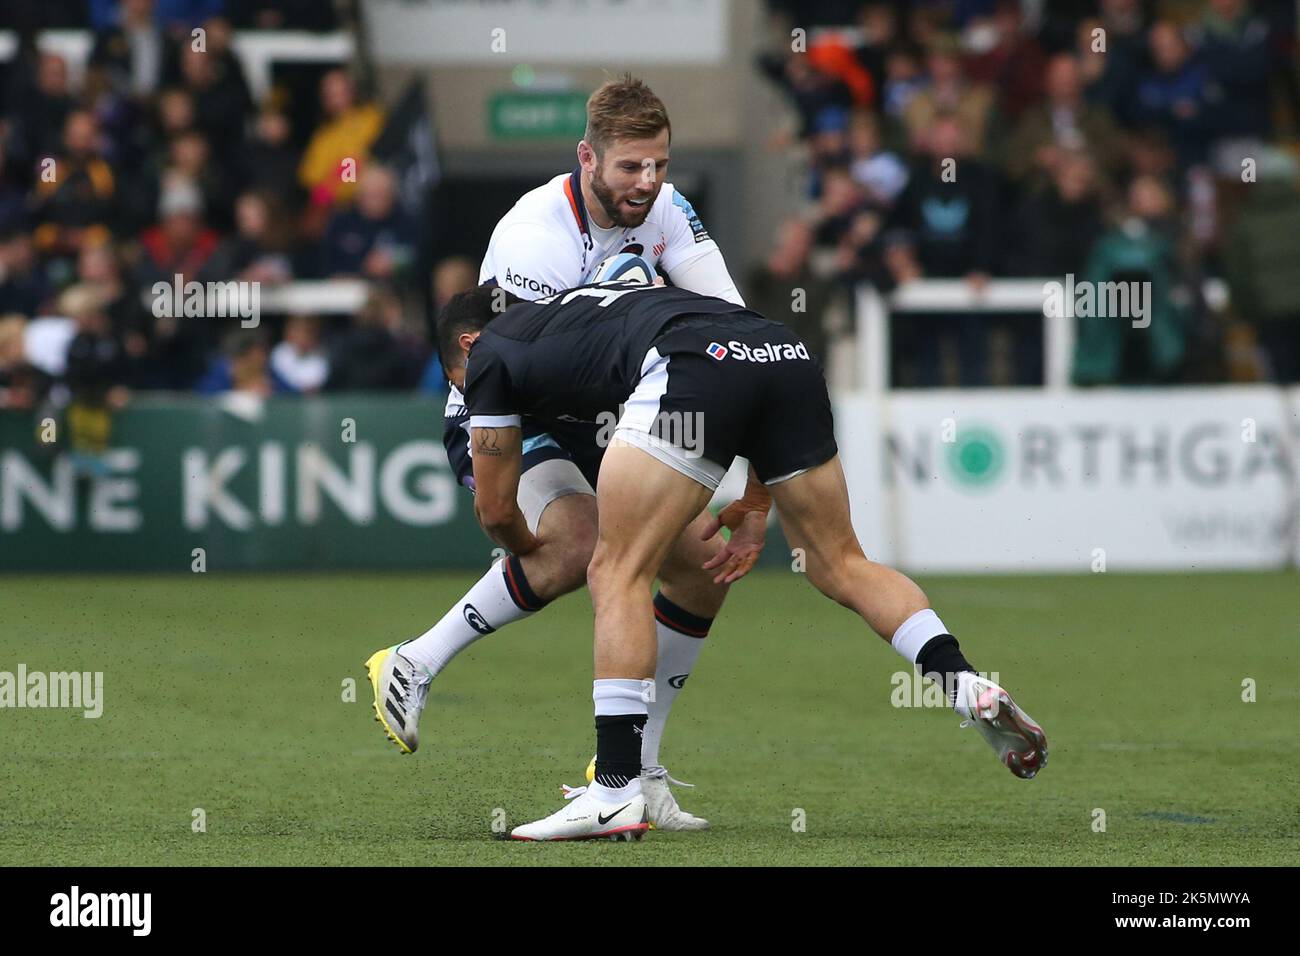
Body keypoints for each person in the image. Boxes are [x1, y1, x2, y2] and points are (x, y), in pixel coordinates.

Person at [438, 277, 1049, 841]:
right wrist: (756, 505)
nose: (467, 393)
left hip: (692, 368)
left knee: (616, 568)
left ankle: (615, 788)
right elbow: (734, 366)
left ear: (469, 343)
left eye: (459, 381)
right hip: (781, 352)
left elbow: (495, 511)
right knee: (840, 562)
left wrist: (528, 551)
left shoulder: (492, 354)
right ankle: (962, 681)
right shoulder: (583, 307)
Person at [364, 74, 758, 832]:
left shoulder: (668, 210)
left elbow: (727, 319)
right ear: (587, 157)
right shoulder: (532, 239)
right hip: (508, 407)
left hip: (601, 409)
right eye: (630, 168)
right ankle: (412, 662)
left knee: (703, 560)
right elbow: (513, 374)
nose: (648, 184)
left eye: (659, 166)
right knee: (580, 542)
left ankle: (639, 768)